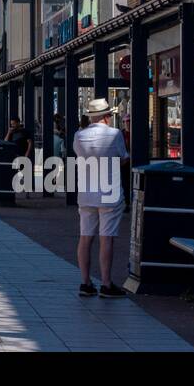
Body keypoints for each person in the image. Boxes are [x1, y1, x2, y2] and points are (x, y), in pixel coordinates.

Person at [74, 97, 129, 298]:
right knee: (107, 238)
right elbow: (124, 159)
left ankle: (85, 282)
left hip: (86, 192)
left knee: (85, 237)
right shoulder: (115, 134)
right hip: (109, 193)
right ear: (106, 117)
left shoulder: (78, 136)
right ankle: (106, 284)